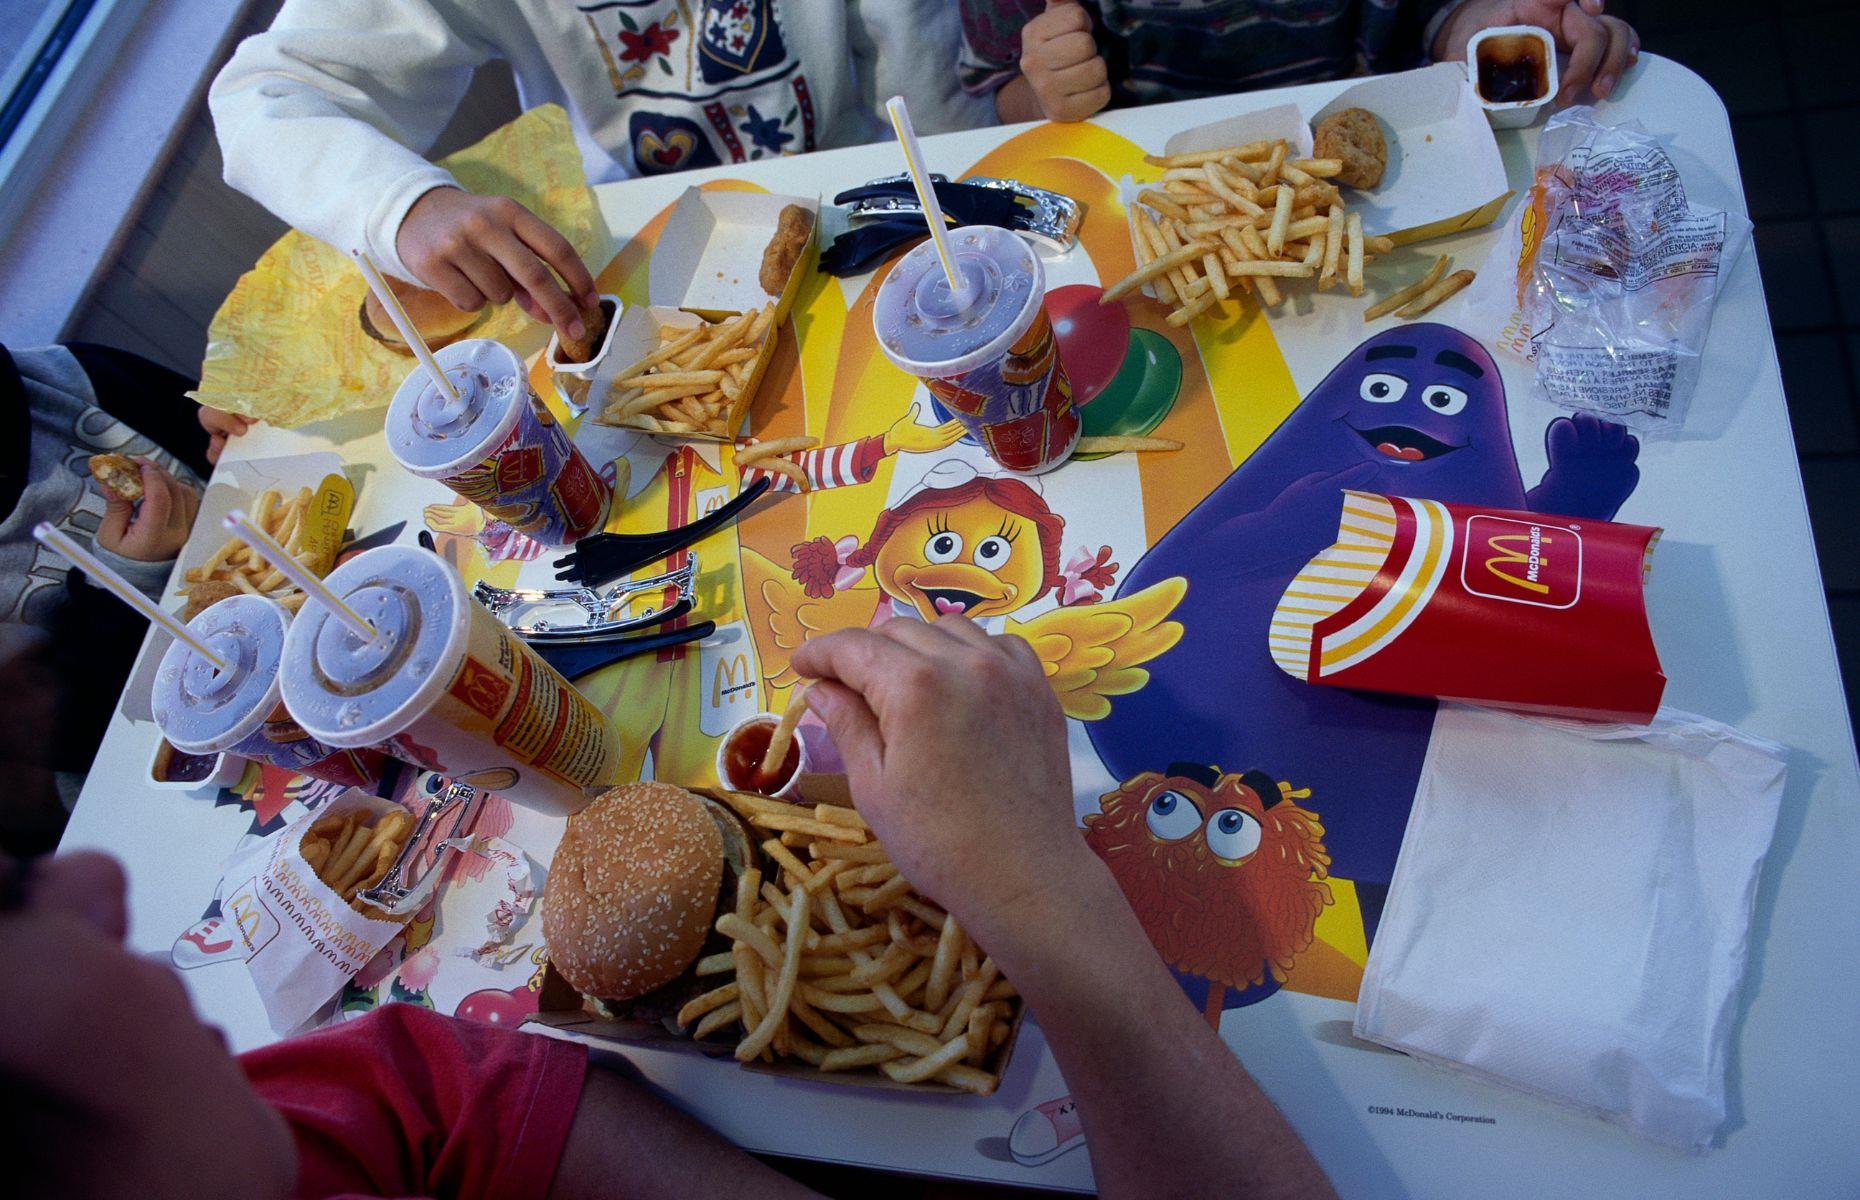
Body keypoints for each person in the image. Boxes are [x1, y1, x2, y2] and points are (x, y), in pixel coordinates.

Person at [0, 618, 1337, 1199]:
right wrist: (1041, 890)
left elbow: (442, 1096)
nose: (95, 872)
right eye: (7, 897)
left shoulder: (282, 1133)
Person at [209, 0, 993, 348]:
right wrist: (402, 206)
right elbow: (262, 98)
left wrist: (969, 191)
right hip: (633, 255)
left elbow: (924, 88)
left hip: (861, 209)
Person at [0, 344, 251, 854]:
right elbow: (80, 744)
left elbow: (211, 431)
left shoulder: (67, 378)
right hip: (189, 788)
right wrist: (124, 583)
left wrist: (233, 424)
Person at [963, 0, 1640, 125]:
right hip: (1151, 192)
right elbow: (1001, 91)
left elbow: (1436, 20)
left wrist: (1500, 29)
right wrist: (1046, 85)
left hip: (1383, 179)